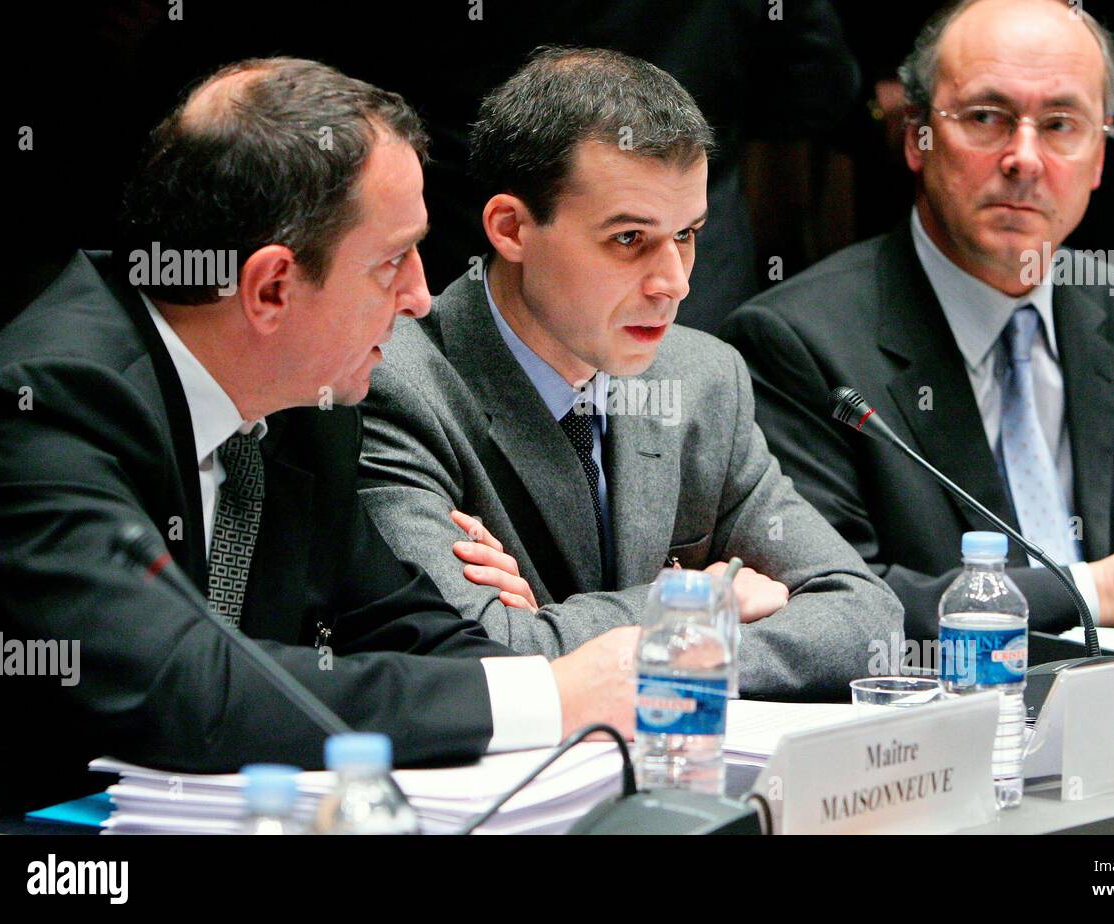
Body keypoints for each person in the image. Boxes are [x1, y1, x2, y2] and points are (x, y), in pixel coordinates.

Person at [0, 57, 635, 817]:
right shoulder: (45, 406)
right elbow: (188, 688)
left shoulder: (308, 399)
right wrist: (541, 695)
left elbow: (388, 621)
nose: (420, 298)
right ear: (269, 289)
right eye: (392, 262)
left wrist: (563, 707)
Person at [720, 0, 1114, 648]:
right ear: (916, 138)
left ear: (1099, 156)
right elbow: (828, 601)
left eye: (1061, 126)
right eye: (986, 117)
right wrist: (1104, 591)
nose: (1024, 159)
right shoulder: (798, 343)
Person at [357, 47, 902, 700]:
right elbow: (471, 658)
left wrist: (678, 652)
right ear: (511, 228)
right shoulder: (394, 385)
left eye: (687, 235)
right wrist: (697, 597)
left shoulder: (703, 379)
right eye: (628, 240)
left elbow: (865, 616)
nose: (673, 283)